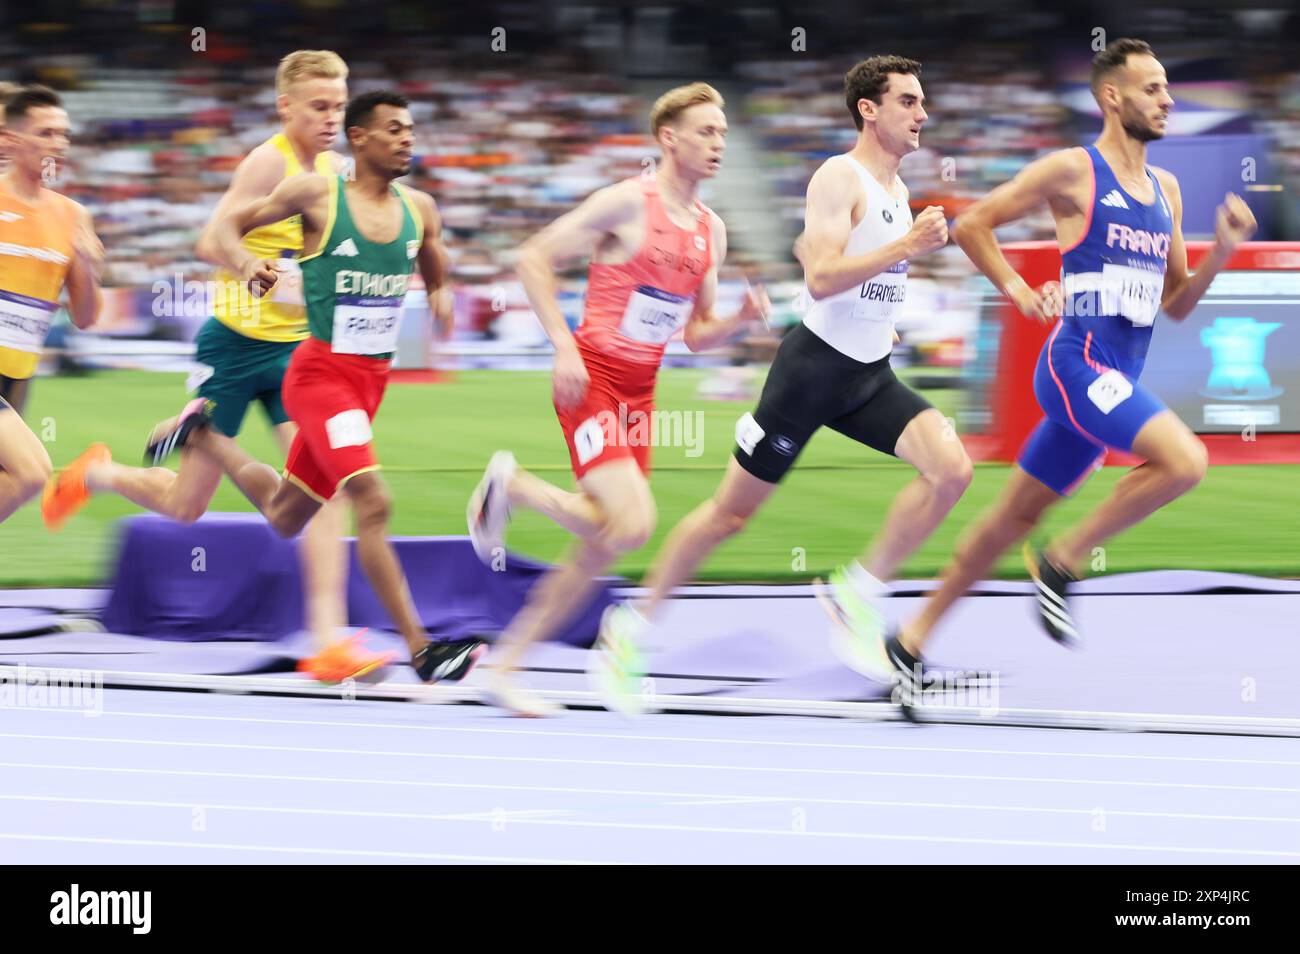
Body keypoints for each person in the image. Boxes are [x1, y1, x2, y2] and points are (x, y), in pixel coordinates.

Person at [590, 56, 972, 712]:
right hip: (812, 371)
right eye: (908, 101)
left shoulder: (898, 192)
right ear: (869, 110)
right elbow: (821, 279)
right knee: (729, 515)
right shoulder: (837, 176)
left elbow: (866, 282)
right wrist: (907, 245)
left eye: (922, 102)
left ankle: (857, 591)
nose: (922, 114)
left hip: (869, 373)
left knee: (952, 469)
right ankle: (630, 629)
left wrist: (886, 320)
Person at [885, 38, 1256, 702]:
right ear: (1112, 97)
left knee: (1008, 521)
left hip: (1114, 377)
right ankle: (1062, 561)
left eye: (1169, 88)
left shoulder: (1166, 190)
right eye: (1153, 89)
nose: (1168, 99)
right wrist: (1019, 291)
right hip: (1075, 364)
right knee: (1186, 461)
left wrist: (1222, 251)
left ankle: (909, 642)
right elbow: (975, 225)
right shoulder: (1072, 171)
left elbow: (1175, 304)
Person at [43, 51, 362, 679]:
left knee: (327, 486)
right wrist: (248, 267)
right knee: (187, 505)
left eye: (340, 107)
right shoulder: (267, 163)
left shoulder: (337, 170)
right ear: (286, 108)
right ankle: (101, 471)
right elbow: (210, 238)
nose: (332, 119)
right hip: (235, 347)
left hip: (298, 353)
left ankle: (329, 640)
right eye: (320, 107)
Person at [466, 82, 769, 715]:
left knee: (599, 545)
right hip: (592, 377)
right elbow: (532, 258)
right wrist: (562, 346)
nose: (719, 143)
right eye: (706, 132)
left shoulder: (710, 230)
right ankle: (512, 485)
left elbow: (695, 333)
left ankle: (505, 665)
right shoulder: (628, 203)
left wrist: (739, 319)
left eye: (723, 133)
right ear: (670, 138)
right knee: (633, 526)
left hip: (640, 391)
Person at [167, 90, 485, 685]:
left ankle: (204, 437)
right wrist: (246, 264)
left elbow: (433, 259)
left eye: (412, 129)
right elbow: (227, 226)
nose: (407, 138)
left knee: (289, 516)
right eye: (393, 129)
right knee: (373, 500)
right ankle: (423, 649)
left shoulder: (421, 208)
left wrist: (440, 293)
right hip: (319, 378)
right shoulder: (316, 196)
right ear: (359, 139)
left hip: (369, 386)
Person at [0, 85, 103, 523]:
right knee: (31, 472)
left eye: (64, 134)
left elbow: (84, 318)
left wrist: (88, 265)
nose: (58, 144)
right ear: (12, 140)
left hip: (17, 378)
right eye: (45, 133)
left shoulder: (73, 216)